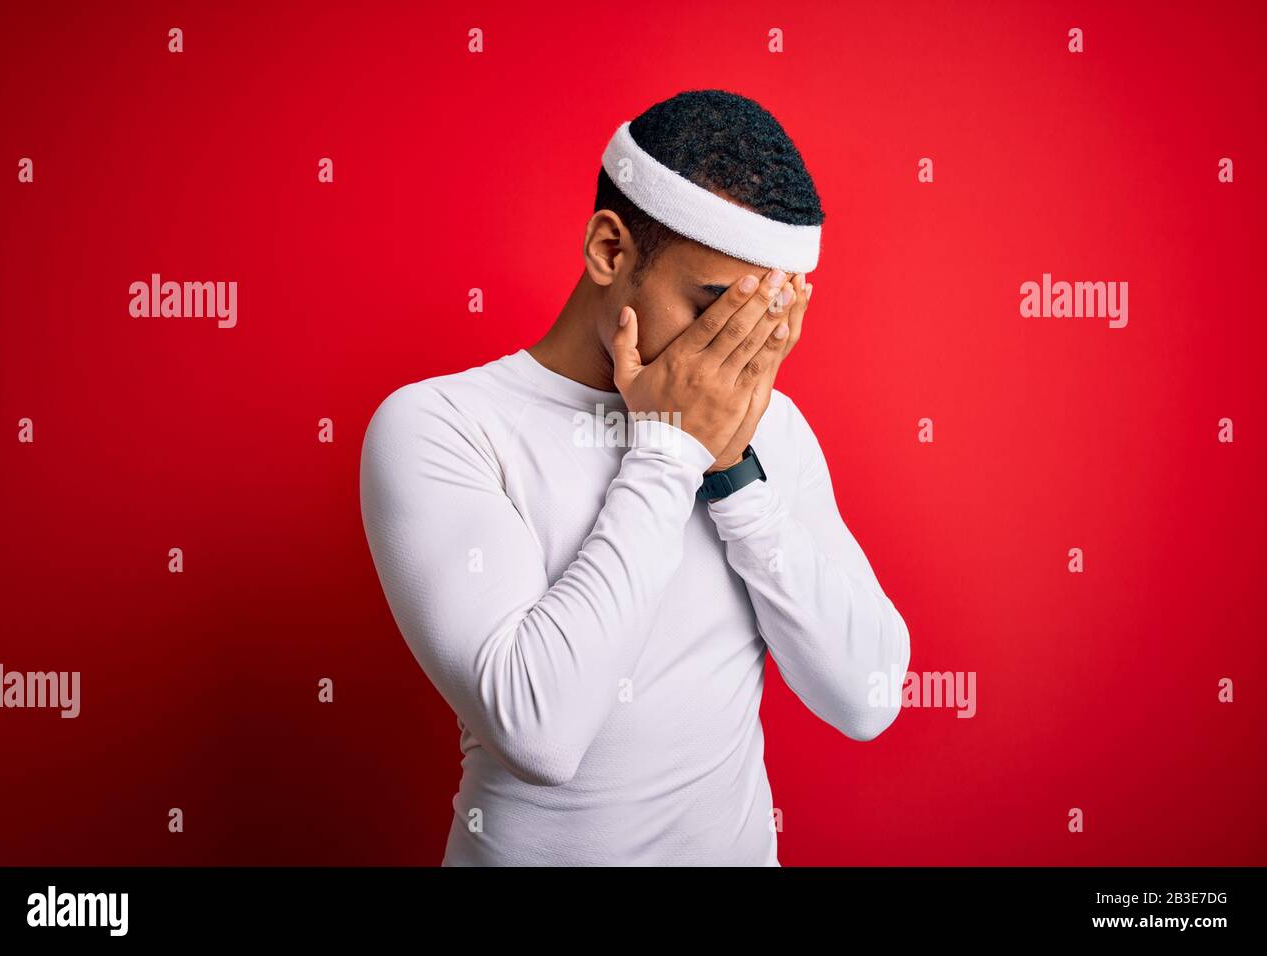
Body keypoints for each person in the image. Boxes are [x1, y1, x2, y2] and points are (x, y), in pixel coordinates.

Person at [359, 89, 911, 866]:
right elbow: (538, 732)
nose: (743, 356)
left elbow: (870, 697)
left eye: (769, 326)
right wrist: (667, 451)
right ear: (611, 252)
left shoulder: (767, 429)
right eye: (715, 312)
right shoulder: (445, 425)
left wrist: (732, 473)